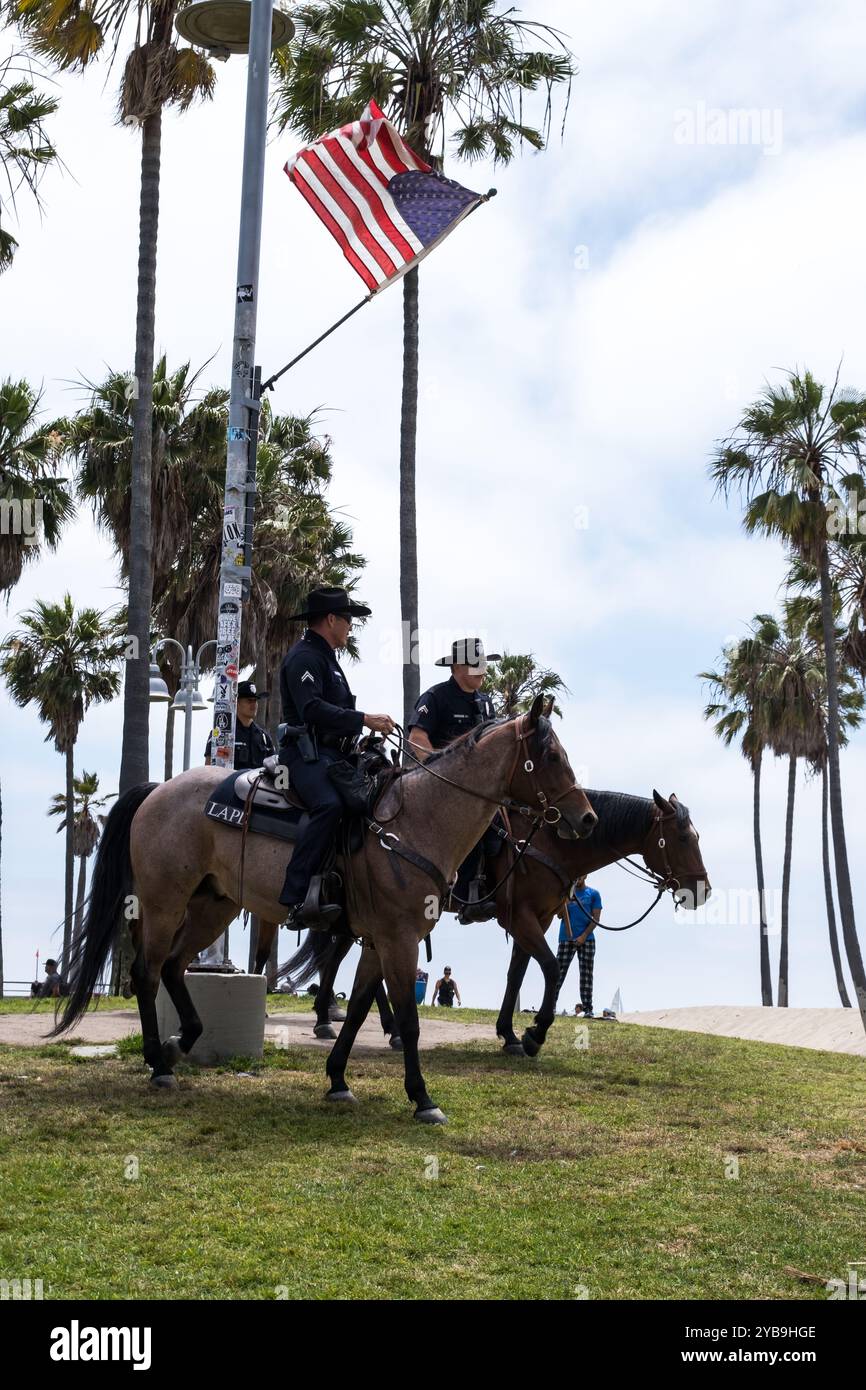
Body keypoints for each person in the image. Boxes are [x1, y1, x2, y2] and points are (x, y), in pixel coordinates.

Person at [277, 586, 396, 927]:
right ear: (330, 619)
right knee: (329, 805)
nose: (350, 627)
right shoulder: (304, 657)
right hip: (304, 756)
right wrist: (363, 719)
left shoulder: (327, 659)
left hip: (334, 755)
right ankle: (297, 897)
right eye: (347, 620)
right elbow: (311, 709)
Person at [407, 637, 500, 923]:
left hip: (484, 792)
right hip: (442, 789)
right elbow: (417, 739)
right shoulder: (435, 698)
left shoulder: (486, 703)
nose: (483, 671)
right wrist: (442, 774)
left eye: (484, 665)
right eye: (477, 666)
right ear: (458, 666)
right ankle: (465, 896)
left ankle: (494, 889)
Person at [556, 875, 602, 1018]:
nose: (578, 878)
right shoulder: (566, 893)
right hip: (566, 938)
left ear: (586, 875)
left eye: (581, 875)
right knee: (558, 973)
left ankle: (588, 1009)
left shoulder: (593, 894)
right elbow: (558, 915)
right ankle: (550, 1005)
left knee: (586, 975)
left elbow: (596, 919)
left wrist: (583, 936)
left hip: (587, 939)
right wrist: (565, 901)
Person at [205, 680, 275, 769]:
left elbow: (273, 769)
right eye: (249, 701)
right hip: (229, 782)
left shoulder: (264, 737)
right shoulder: (221, 733)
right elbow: (208, 769)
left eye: (255, 701)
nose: (254, 705)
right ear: (237, 703)